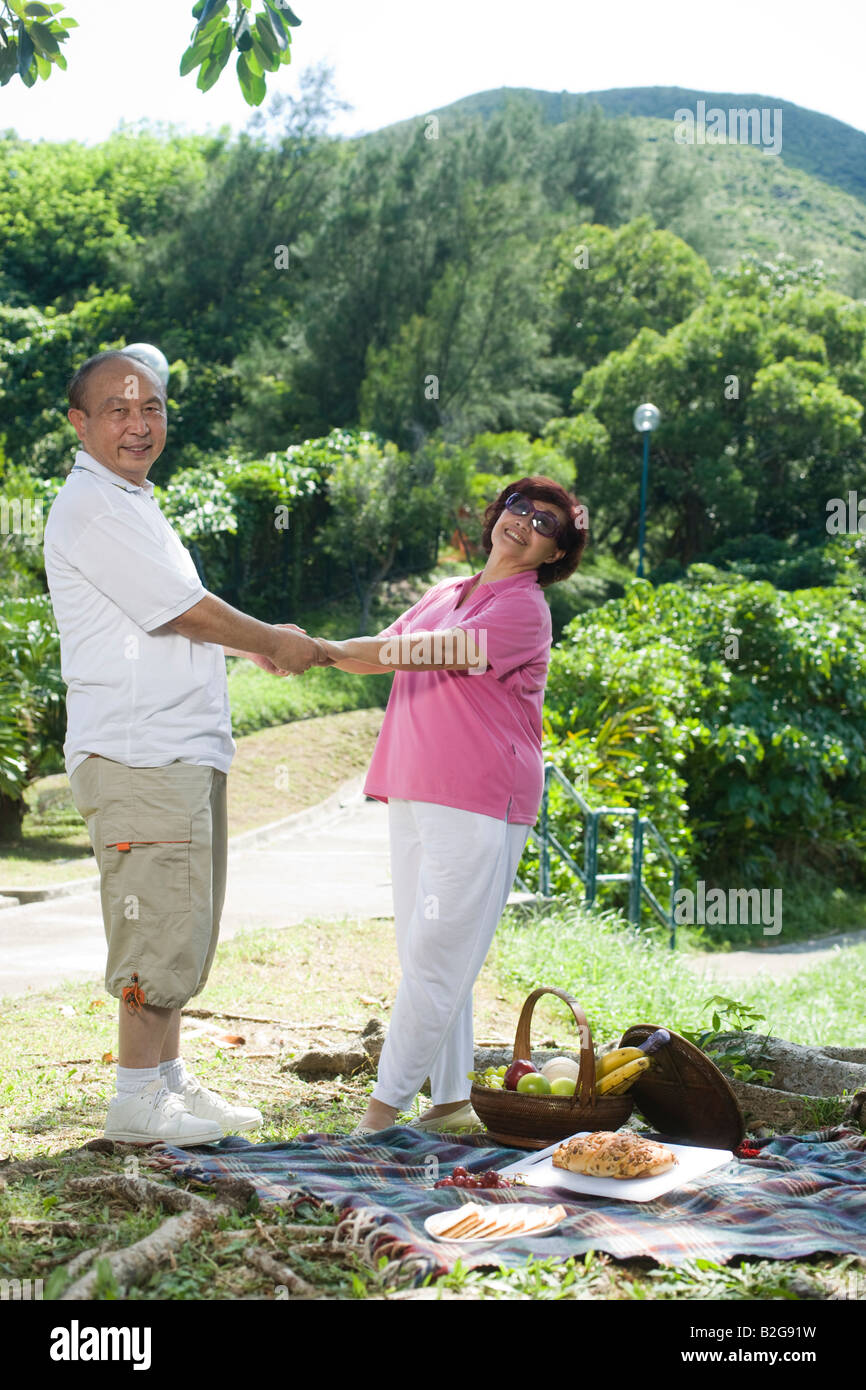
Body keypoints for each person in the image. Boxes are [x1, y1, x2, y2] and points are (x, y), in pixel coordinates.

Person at [43, 349, 329, 1146]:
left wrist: (261, 648)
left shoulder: (133, 500)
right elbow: (181, 612)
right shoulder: (96, 508)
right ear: (80, 423)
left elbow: (181, 613)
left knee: (182, 924)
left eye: (153, 408)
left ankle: (165, 1080)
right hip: (141, 753)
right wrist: (273, 639)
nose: (140, 425)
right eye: (117, 411)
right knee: (156, 927)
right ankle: (135, 1099)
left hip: (177, 749)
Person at [314, 476, 588, 1133]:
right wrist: (297, 651)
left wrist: (315, 647)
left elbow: (421, 653)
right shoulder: (444, 594)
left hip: (480, 799)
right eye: (519, 507)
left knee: (438, 957)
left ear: (554, 554)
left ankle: (380, 1117)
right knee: (432, 956)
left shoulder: (524, 609)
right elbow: (376, 656)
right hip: (415, 787)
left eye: (544, 523)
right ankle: (449, 1102)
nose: (523, 522)